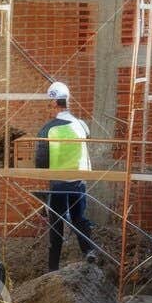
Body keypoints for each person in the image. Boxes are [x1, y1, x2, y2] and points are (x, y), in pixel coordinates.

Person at [33, 81, 96, 270]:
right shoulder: (82, 125)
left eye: (49, 105)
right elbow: (87, 138)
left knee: (56, 224)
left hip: (59, 183)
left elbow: (41, 161)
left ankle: (53, 268)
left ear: (53, 103)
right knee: (79, 217)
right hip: (79, 180)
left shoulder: (48, 129)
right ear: (67, 101)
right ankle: (89, 251)